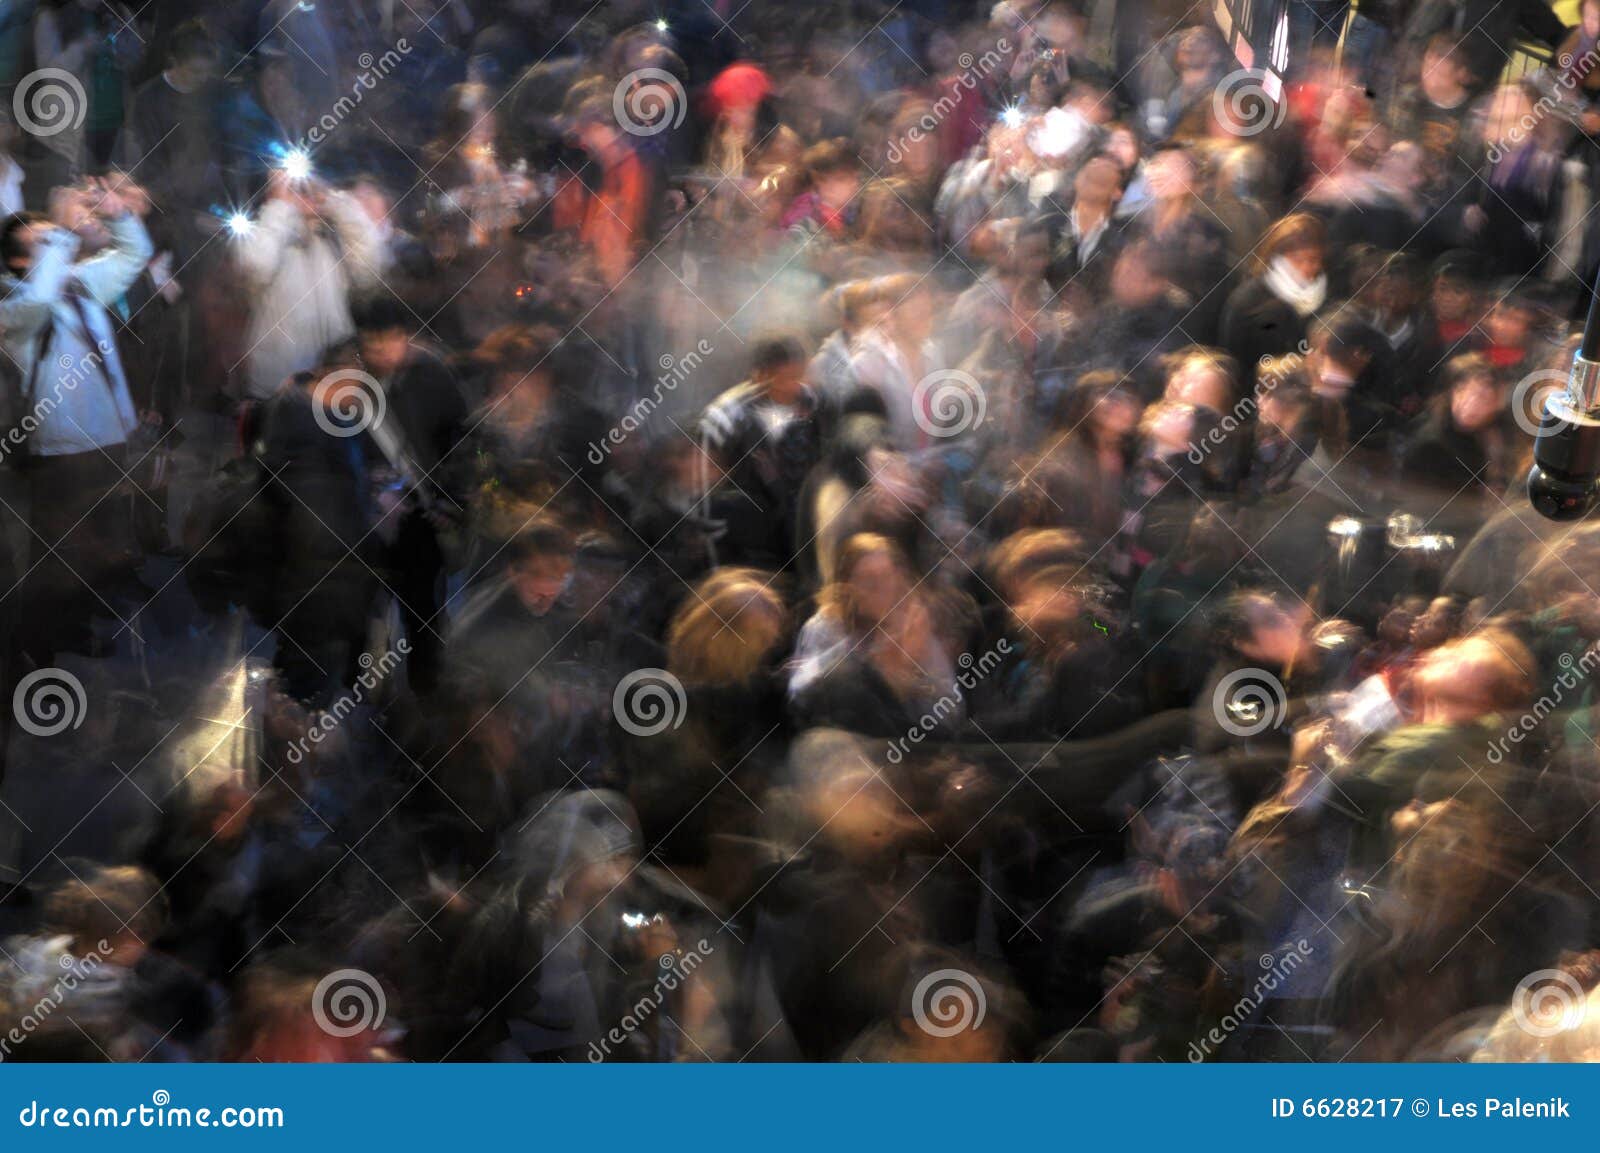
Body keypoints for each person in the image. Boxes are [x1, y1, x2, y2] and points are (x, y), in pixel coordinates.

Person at [0, 177, 153, 660]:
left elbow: (135, 254)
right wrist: (62, 232)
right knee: (57, 550)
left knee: (96, 542)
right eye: (43, 241)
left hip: (107, 437)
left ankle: (77, 627)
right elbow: (40, 302)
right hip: (62, 447)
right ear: (18, 260)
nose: (59, 243)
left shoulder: (80, 283)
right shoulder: (13, 304)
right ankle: (36, 645)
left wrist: (116, 212)